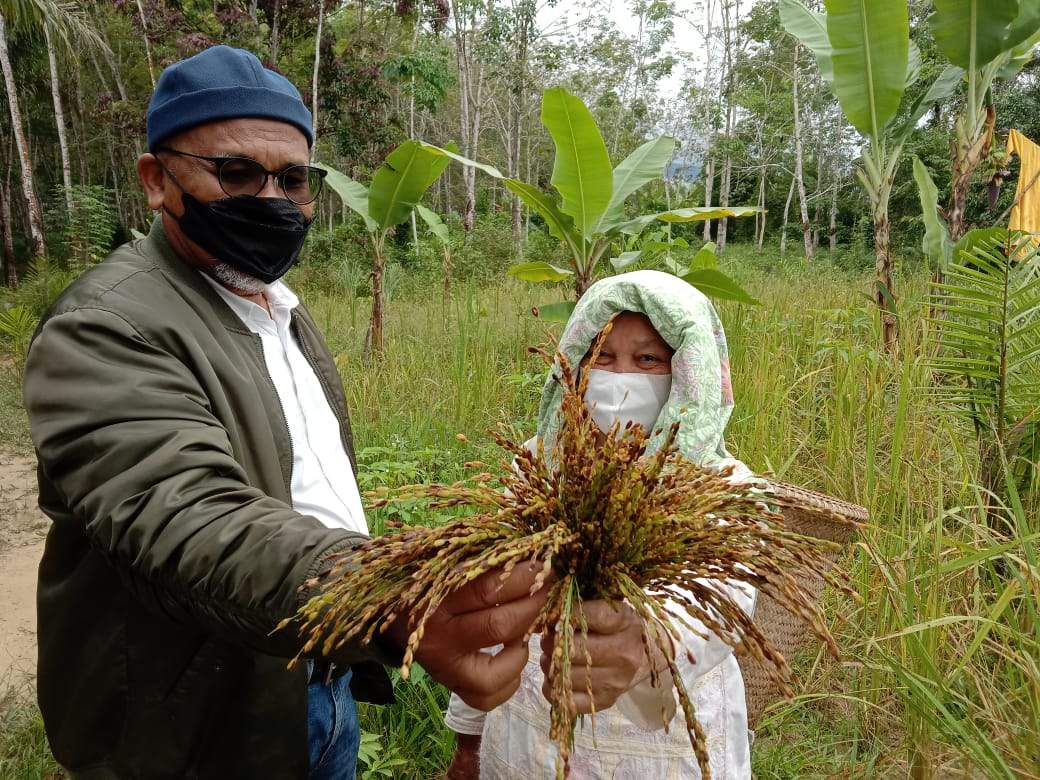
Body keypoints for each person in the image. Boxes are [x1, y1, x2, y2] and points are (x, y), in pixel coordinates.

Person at [23, 45, 547, 780]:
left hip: (322, 677)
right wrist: (385, 595)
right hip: (195, 727)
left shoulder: (276, 306)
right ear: (155, 179)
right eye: (236, 172)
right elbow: (185, 515)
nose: (271, 199)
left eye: (292, 179)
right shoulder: (105, 325)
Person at [444, 270, 757, 779]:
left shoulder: (722, 487)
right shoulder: (536, 469)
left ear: (688, 370)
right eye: (602, 357)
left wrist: (645, 640)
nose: (620, 379)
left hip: (666, 759)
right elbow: (490, 606)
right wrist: (467, 737)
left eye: (648, 360)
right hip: (527, 744)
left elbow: (723, 606)